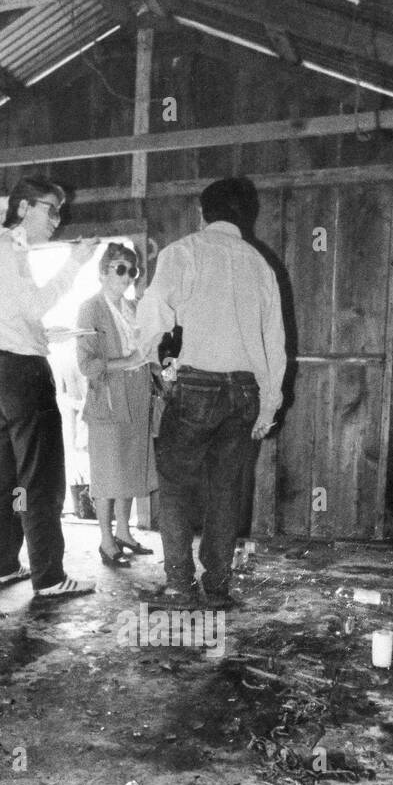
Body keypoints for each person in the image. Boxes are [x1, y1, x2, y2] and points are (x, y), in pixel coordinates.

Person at [136, 177, 286, 609]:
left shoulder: (183, 252)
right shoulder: (261, 266)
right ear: (246, 217)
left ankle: (180, 585)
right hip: (244, 393)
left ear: (202, 214)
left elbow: (154, 310)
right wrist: (268, 407)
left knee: (176, 484)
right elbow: (276, 346)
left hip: (197, 384)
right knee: (226, 488)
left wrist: (149, 358)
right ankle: (217, 588)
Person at [0, 175, 99, 599]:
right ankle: (49, 577)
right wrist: (75, 264)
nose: (57, 220)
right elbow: (36, 305)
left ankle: (5, 565)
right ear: (24, 207)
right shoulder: (11, 253)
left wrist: (49, 337)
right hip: (23, 376)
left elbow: (15, 320)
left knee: (7, 478)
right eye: (51, 209)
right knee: (40, 479)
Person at [75, 243, 157, 568]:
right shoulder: (90, 309)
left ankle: (124, 532)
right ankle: (106, 542)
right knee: (108, 473)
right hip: (108, 399)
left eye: (131, 270)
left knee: (131, 468)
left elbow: (146, 350)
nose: (126, 276)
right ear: (102, 272)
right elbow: (86, 363)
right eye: (119, 269)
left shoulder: (133, 307)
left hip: (137, 397)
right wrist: (128, 362)